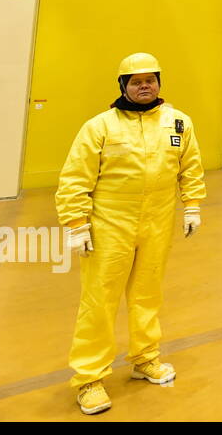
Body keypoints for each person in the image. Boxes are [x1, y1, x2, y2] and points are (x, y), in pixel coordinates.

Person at [55, 52, 206, 415]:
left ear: (159, 83)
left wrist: (193, 205)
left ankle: (144, 358)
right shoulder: (100, 126)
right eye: (136, 81)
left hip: (157, 222)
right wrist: (77, 223)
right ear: (123, 86)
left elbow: (191, 167)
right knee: (99, 301)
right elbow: (75, 177)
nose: (144, 86)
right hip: (110, 224)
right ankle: (89, 378)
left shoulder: (179, 123)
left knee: (147, 294)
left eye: (150, 79)